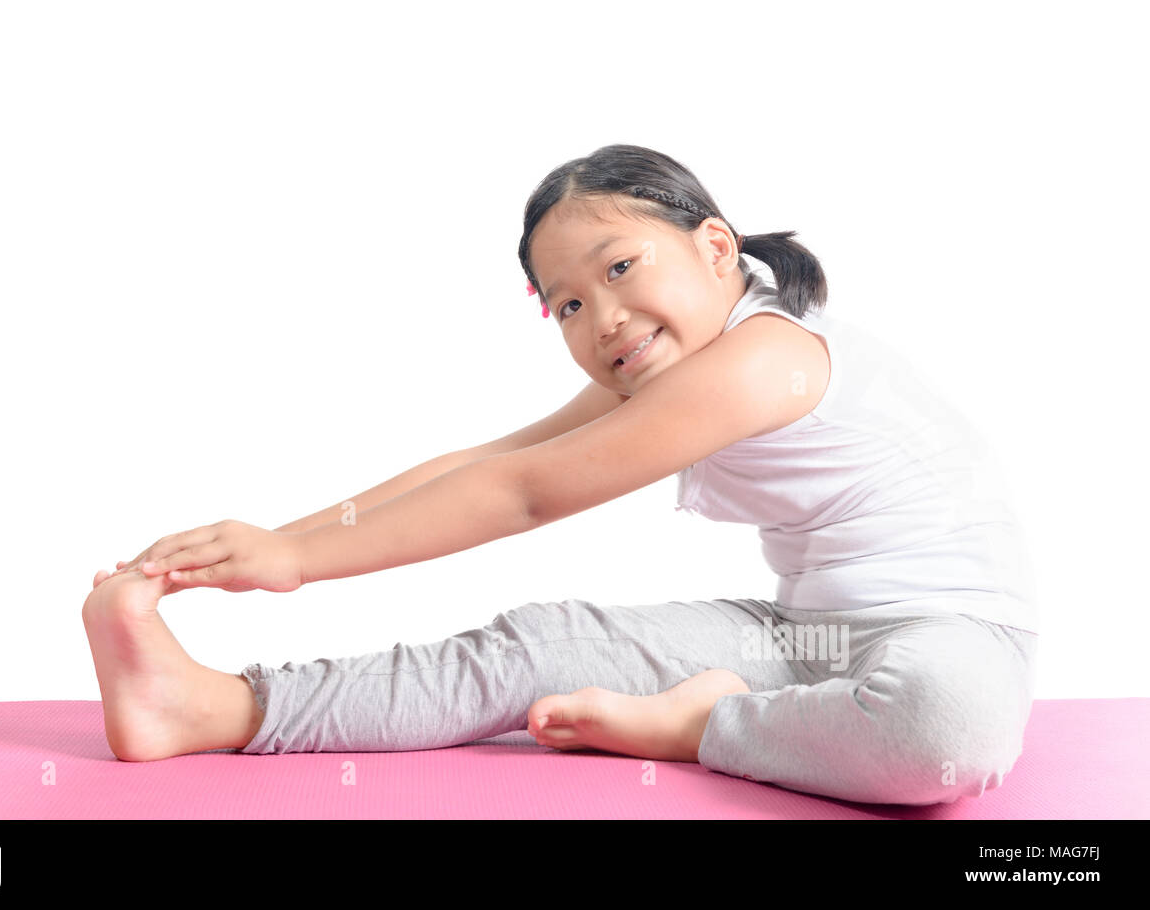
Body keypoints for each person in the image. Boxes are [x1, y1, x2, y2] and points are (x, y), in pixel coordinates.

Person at [82, 143, 1038, 806]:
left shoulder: (759, 361)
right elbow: (492, 459)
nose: (604, 317)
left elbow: (525, 495)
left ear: (716, 248)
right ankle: (215, 705)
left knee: (943, 725)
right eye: (570, 303)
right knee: (537, 644)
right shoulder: (684, 364)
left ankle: (703, 726)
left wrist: (295, 560)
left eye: (621, 268)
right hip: (808, 645)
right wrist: (283, 534)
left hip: (947, 640)